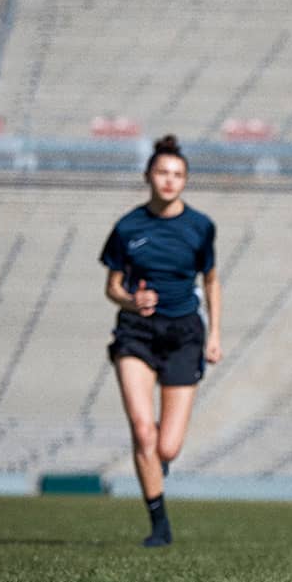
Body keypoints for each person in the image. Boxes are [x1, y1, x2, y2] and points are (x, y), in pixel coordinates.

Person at [99, 134, 221, 547]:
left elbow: (211, 281)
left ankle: (156, 464)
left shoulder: (200, 227)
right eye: (163, 173)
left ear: (185, 180)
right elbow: (112, 286)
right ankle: (159, 526)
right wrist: (131, 299)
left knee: (167, 446)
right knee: (142, 431)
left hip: (184, 332)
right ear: (148, 176)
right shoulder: (128, 227)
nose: (170, 181)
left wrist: (215, 333)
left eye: (178, 175)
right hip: (136, 332)